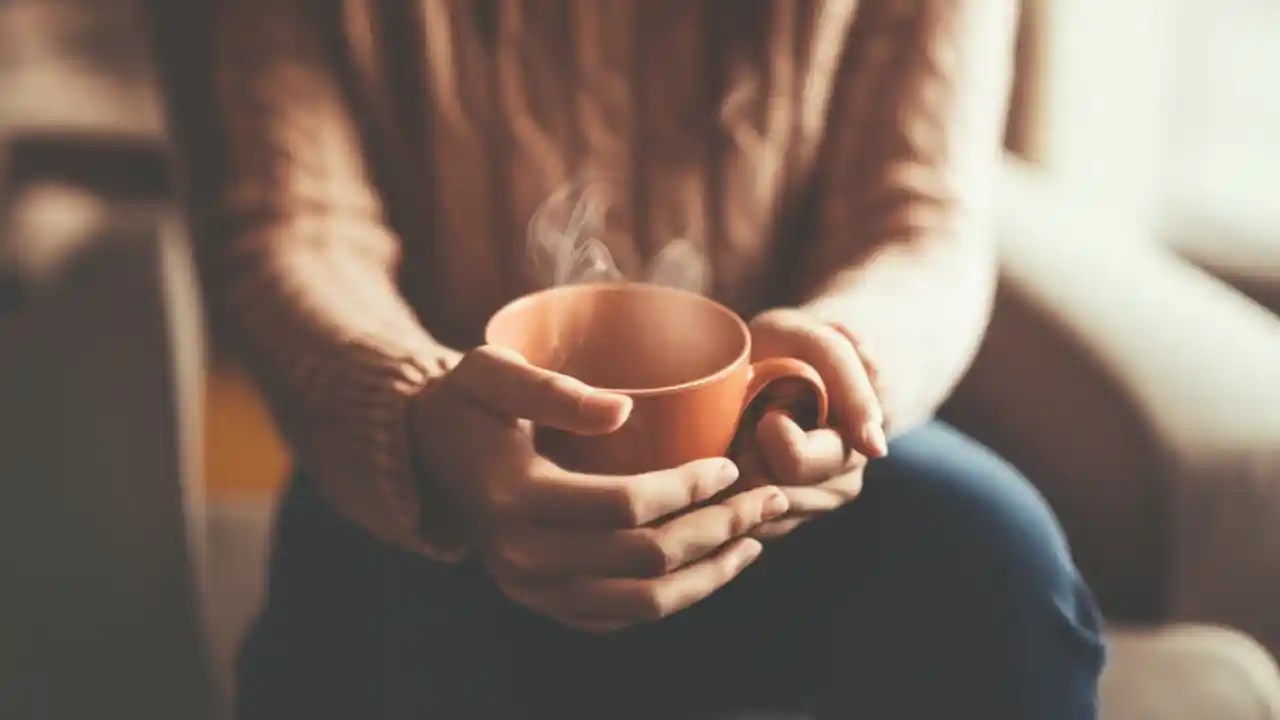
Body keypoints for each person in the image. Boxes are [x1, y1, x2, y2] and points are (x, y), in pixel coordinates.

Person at [157, 0, 1105, 717]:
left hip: (772, 472)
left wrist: (848, 362)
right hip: (439, 466)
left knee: (1000, 567)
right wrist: (417, 419)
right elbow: (293, 229)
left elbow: (917, 220)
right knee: (352, 635)